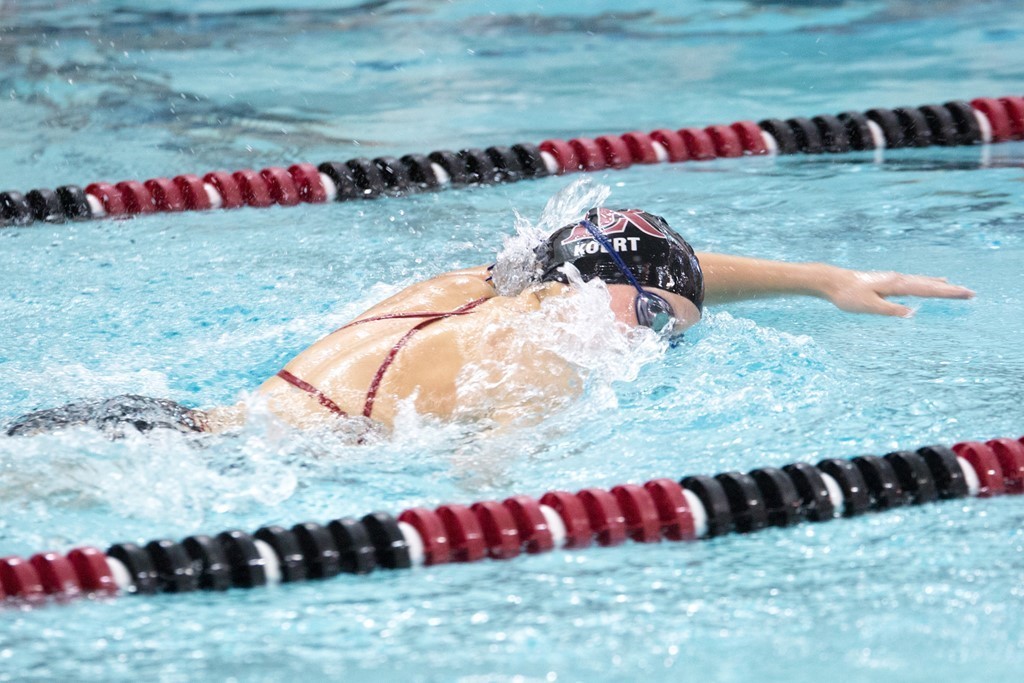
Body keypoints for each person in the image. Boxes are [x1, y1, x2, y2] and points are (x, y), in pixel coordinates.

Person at [4, 207, 973, 438]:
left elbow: (635, 264)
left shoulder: (487, 288)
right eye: (653, 323)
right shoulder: (534, 361)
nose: (652, 340)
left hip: (160, 418)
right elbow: (491, 485)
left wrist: (819, 278)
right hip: (208, 475)